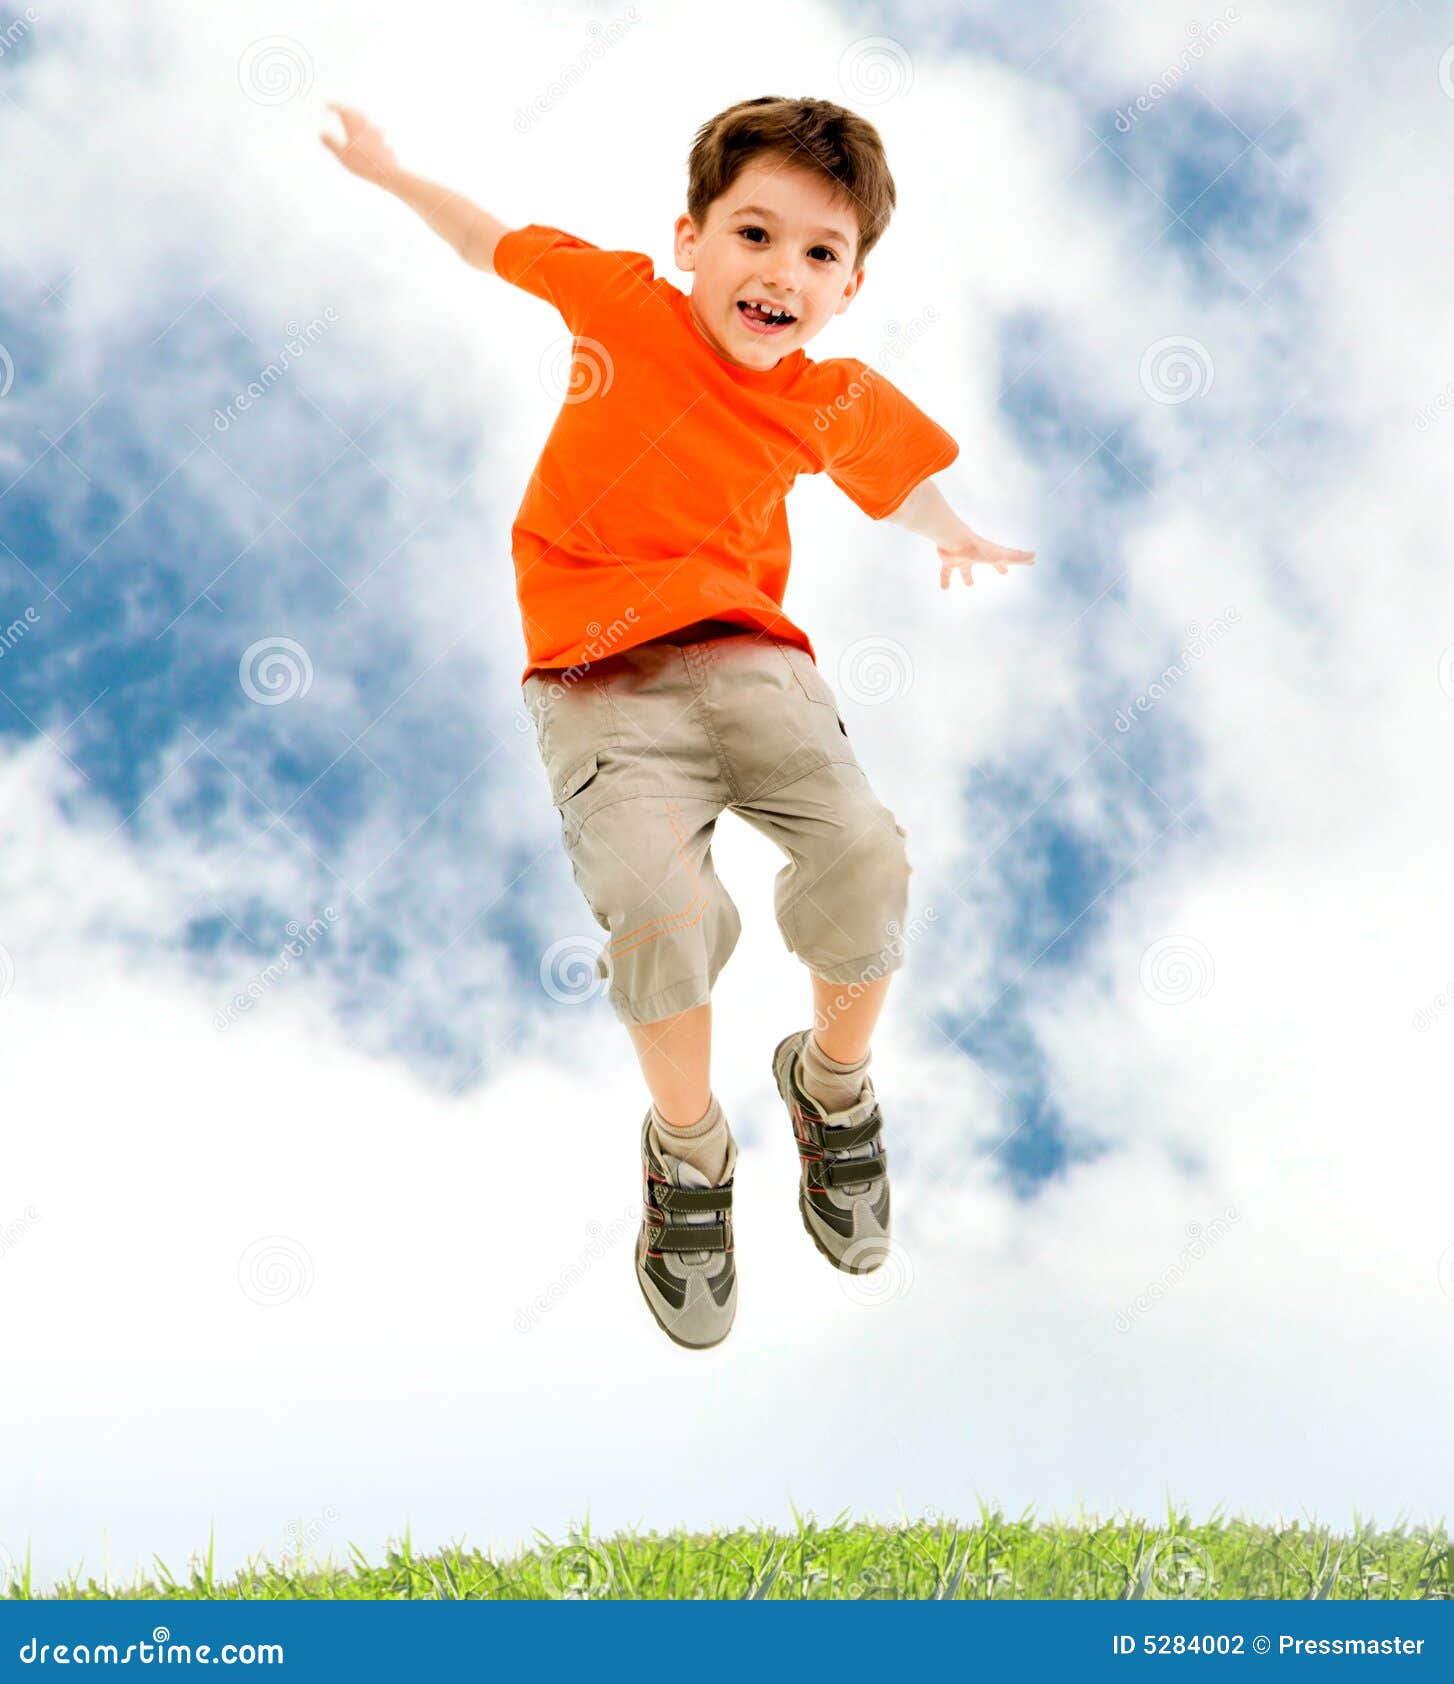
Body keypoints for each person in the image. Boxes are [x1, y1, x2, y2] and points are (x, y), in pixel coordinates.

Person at [321, 93, 1034, 1350]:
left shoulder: (829, 398)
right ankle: (690, 1154)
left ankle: (832, 1087)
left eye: (817, 254)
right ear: (689, 240)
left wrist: (955, 532)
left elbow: (895, 483)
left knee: (864, 854)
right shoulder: (619, 303)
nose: (780, 273)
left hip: (752, 663)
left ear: (849, 288)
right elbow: (486, 241)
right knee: (657, 912)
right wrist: (389, 173)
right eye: (753, 235)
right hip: (595, 678)